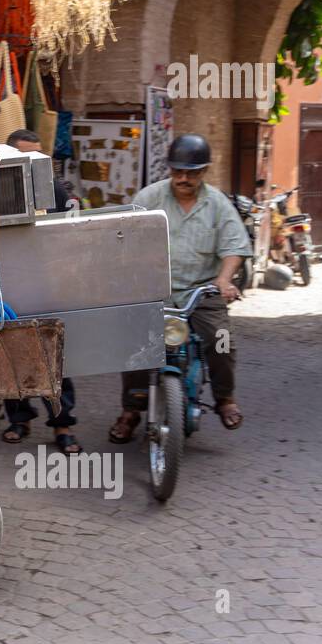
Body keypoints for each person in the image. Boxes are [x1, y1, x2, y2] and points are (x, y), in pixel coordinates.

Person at [109, 133, 251, 443]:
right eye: (177, 171)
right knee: (135, 341)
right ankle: (131, 409)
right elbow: (123, 237)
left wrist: (224, 279)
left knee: (221, 339)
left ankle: (225, 398)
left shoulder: (218, 205)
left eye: (191, 172)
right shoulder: (149, 198)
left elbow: (234, 248)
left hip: (202, 293)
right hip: (154, 290)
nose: (183, 178)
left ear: (204, 171)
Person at [0, 128, 83, 453]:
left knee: (56, 357)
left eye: (40, 157)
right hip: (9, 283)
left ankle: (63, 425)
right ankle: (19, 420)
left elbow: (74, 231)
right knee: (10, 354)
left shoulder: (57, 190)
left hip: (49, 283)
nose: (35, 164)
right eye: (27, 157)